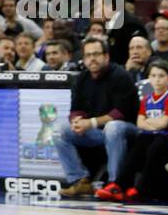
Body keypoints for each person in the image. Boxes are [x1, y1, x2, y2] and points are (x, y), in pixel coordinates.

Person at [54, 37, 139, 198]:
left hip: (128, 130)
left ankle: (115, 184)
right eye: (88, 55)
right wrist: (77, 122)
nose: (92, 58)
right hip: (98, 132)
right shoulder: (82, 78)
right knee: (60, 131)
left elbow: (121, 112)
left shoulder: (120, 75)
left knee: (113, 127)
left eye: (96, 54)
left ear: (106, 56)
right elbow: (76, 109)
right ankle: (80, 180)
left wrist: (91, 122)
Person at [98, 59, 168, 202]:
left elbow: (164, 123)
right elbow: (140, 123)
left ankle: (141, 188)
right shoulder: (146, 100)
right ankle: (118, 185)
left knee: (155, 147)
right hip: (151, 134)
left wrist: (150, 122)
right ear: (148, 78)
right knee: (139, 145)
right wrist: (153, 124)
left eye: (161, 76)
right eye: (153, 76)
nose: (157, 80)